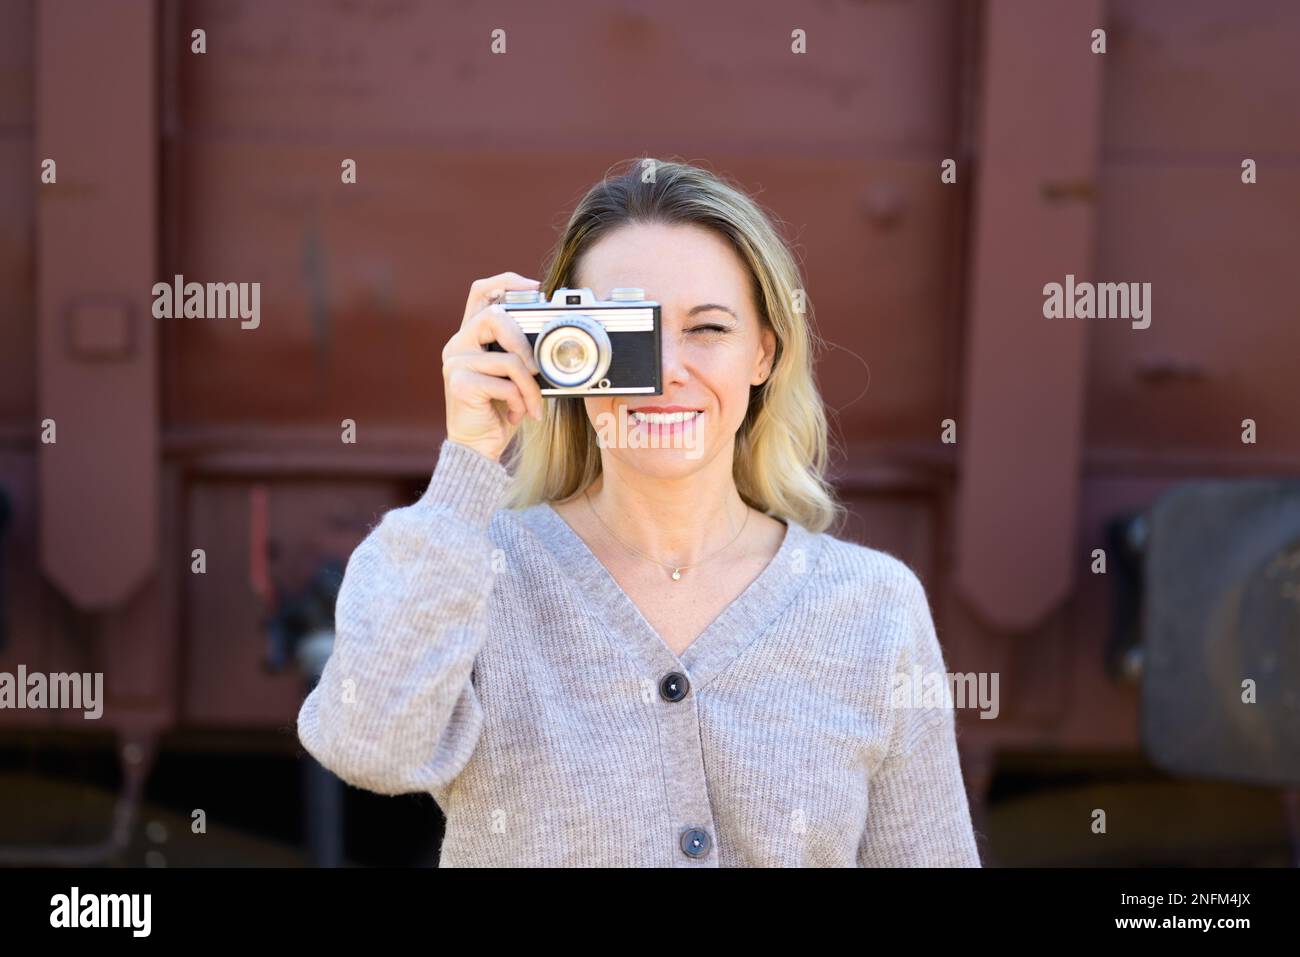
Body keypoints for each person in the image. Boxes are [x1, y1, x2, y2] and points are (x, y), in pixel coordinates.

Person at [296, 158, 981, 867]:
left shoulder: (872, 606)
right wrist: (469, 458)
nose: (666, 370)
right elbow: (368, 744)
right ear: (562, 349)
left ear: (763, 354)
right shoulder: (478, 570)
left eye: (708, 328)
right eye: (624, 332)